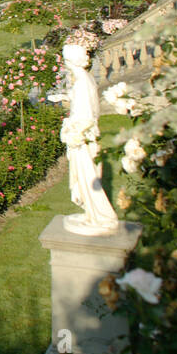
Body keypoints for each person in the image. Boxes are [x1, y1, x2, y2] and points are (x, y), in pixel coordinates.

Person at [50, 44, 119, 236]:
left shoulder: (81, 82)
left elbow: (86, 116)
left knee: (88, 177)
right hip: (87, 135)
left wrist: (71, 132)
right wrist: (66, 96)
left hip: (83, 137)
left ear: (69, 61)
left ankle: (101, 216)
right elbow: (82, 102)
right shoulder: (84, 78)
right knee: (87, 178)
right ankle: (92, 213)